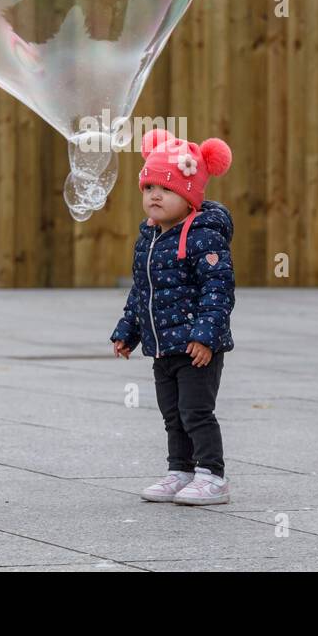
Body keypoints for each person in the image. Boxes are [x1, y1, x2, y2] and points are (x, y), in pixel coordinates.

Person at [111, 129, 236, 505]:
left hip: (197, 347)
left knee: (196, 411)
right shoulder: (148, 238)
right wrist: (127, 331)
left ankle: (212, 476)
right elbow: (142, 291)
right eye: (148, 188)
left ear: (190, 198)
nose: (155, 196)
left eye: (166, 189)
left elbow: (218, 290)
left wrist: (205, 336)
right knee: (172, 414)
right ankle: (179, 470)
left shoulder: (204, 236)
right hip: (161, 346)